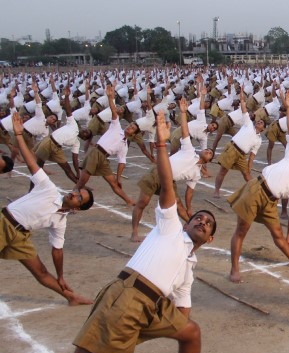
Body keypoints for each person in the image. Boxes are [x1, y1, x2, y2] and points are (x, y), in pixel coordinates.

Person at [32, 111, 220, 353]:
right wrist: (161, 146)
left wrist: (174, 326)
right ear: (187, 223)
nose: (203, 220)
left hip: (152, 307)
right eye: (199, 216)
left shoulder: (189, 266)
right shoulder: (170, 227)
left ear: (209, 238)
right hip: (126, 299)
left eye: (209, 222)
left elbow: (182, 311)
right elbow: (168, 188)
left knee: (192, 332)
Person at [226, 89, 289, 283]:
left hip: (271, 202)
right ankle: (234, 269)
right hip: (257, 189)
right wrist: (288, 109)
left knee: (278, 234)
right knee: (241, 231)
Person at [1, 111, 94, 306]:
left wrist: (60, 275)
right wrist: (19, 135)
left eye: (79, 197)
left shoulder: (61, 221)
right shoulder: (49, 188)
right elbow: (32, 164)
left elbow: (57, 250)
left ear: (77, 208)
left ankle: (71, 297)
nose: (74, 194)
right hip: (5, 224)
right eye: (77, 191)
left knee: (41, 272)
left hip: (21, 236)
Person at [132, 98, 214, 242]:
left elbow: (189, 192)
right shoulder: (189, 150)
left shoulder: (196, 174)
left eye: (210, 153)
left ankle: (193, 228)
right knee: (142, 202)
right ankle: (134, 232)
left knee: (180, 207)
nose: (207, 151)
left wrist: (189, 209)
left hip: (170, 182)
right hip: (158, 173)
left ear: (208, 161)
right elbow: (185, 131)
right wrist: (183, 113)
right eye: (207, 150)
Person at [74, 83, 136, 206]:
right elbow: (114, 111)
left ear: (133, 134)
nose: (129, 127)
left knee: (113, 183)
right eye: (130, 125)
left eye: (132, 128)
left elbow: (122, 162)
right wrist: (110, 97)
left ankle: (128, 201)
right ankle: (72, 200)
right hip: (96, 153)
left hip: (103, 159)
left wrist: (119, 178)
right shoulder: (116, 127)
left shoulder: (124, 146)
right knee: (82, 182)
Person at [213, 88, 265, 198]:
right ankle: (216, 191)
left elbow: (252, 156)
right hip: (232, 148)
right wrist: (241, 98)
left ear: (263, 129)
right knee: (223, 171)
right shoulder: (249, 124)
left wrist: (249, 166)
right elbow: (244, 110)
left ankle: (255, 192)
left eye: (261, 123)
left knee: (246, 174)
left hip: (242, 155)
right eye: (259, 121)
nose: (259, 122)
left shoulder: (259, 140)